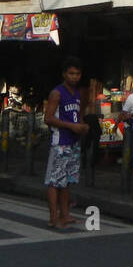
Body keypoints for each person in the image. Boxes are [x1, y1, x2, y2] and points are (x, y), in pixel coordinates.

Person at [43, 57, 87, 228]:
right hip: (60, 141)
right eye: (71, 73)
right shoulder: (57, 93)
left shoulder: (77, 94)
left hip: (73, 142)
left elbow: (76, 116)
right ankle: (53, 217)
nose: (74, 77)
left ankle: (65, 214)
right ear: (64, 74)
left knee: (67, 180)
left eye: (77, 74)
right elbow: (48, 118)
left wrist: (82, 126)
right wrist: (71, 126)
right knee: (55, 181)